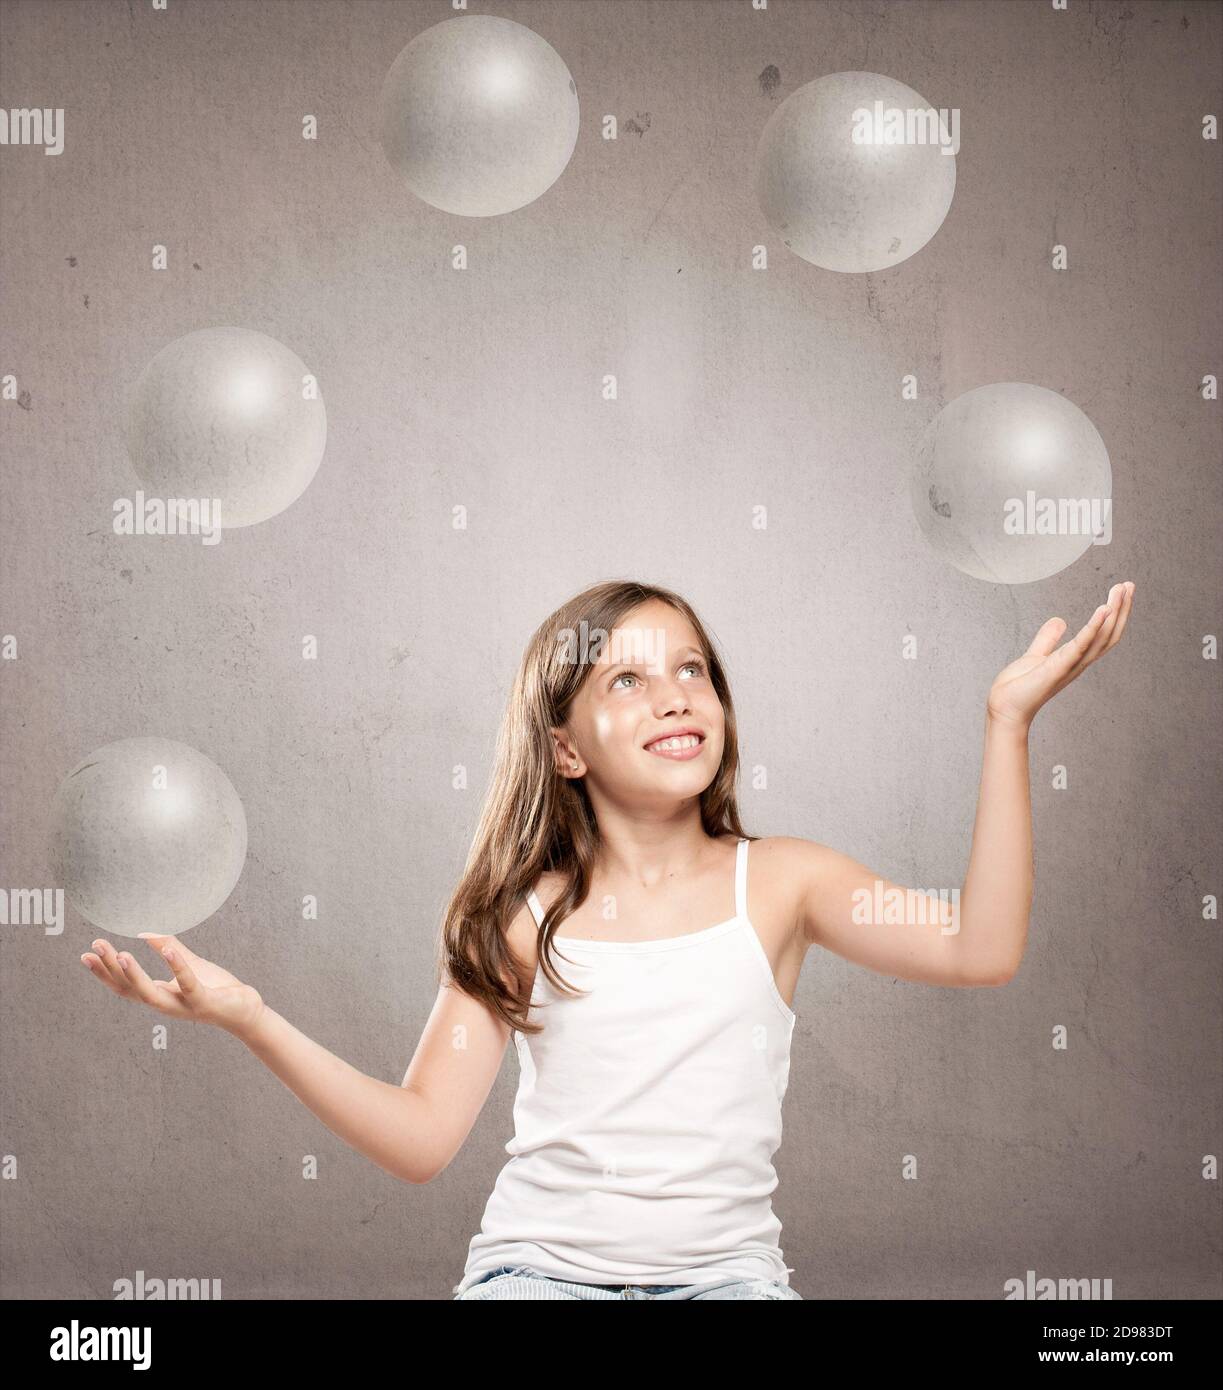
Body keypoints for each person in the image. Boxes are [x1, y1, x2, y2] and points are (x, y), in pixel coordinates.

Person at [80, 577, 1135, 1301]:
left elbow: (979, 945)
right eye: (624, 679)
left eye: (690, 669)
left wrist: (1007, 726)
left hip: (728, 1281)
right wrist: (250, 1017)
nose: (674, 693)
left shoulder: (783, 882)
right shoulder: (518, 919)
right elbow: (419, 1139)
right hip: (535, 1277)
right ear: (564, 747)